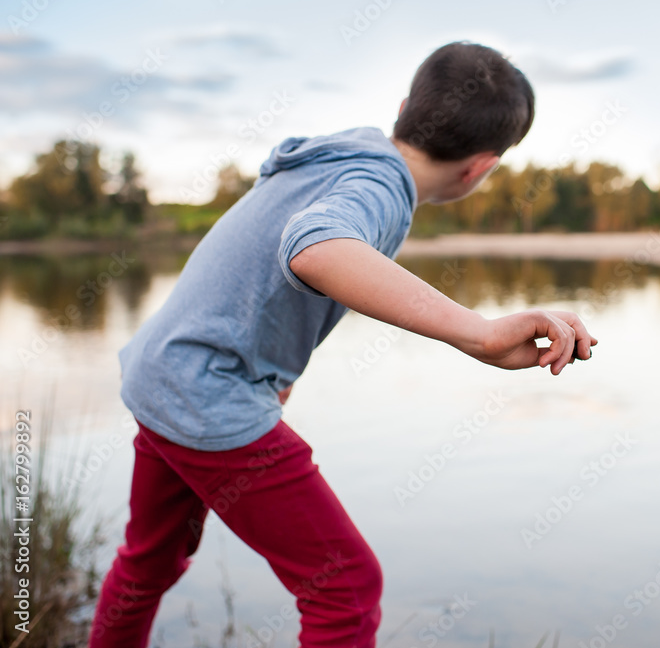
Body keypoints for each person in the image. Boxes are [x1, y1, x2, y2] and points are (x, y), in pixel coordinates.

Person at [89, 40, 597, 648]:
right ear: (481, 167)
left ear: (406, 105)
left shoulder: (343, 152)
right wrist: (480, 333)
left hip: (162, 373)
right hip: (206, 392)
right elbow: (315, 245)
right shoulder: (381, 186)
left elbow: (264, 268)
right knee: (346, 590)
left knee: (148, 563)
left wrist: (275, 363)